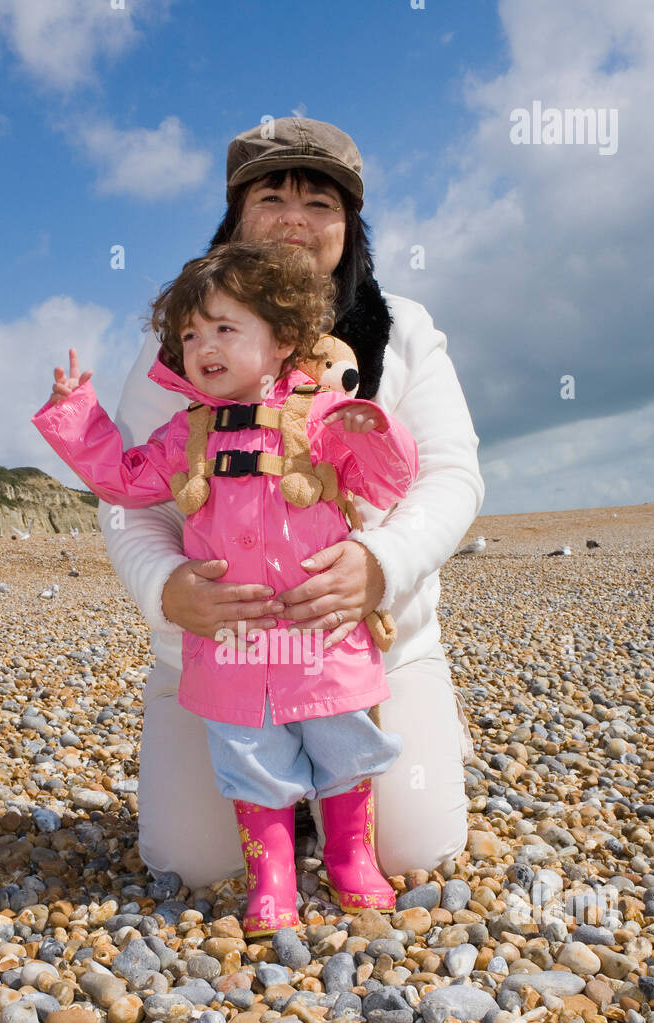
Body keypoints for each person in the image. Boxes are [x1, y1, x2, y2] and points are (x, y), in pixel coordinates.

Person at [99, 116, 484, 892]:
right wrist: (168, 591)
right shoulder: (185, 338)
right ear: (234, 220)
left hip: (371, 650)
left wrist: (382, 564)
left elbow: (452, 475)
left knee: (419, 853)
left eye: (321, 204)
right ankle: (284, 780)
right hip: (218, 655)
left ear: (351, 228)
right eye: (271, 195)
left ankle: (392, 736)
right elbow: (128, 495)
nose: (294, 220)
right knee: (193, 865)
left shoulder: (402, 328)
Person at [31, 241, 420, 937]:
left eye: (224, 328)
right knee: (248, 756)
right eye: (189, 335)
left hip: (321, 637)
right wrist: (75, 415)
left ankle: (349, 855)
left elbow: (385, 485)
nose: (202, 345)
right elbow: (121, 482)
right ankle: (271, 876)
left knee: (346, 742)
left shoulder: (322, 415)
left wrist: (373, 431)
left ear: (283, 341)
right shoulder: (185, 433)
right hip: (232, 648)